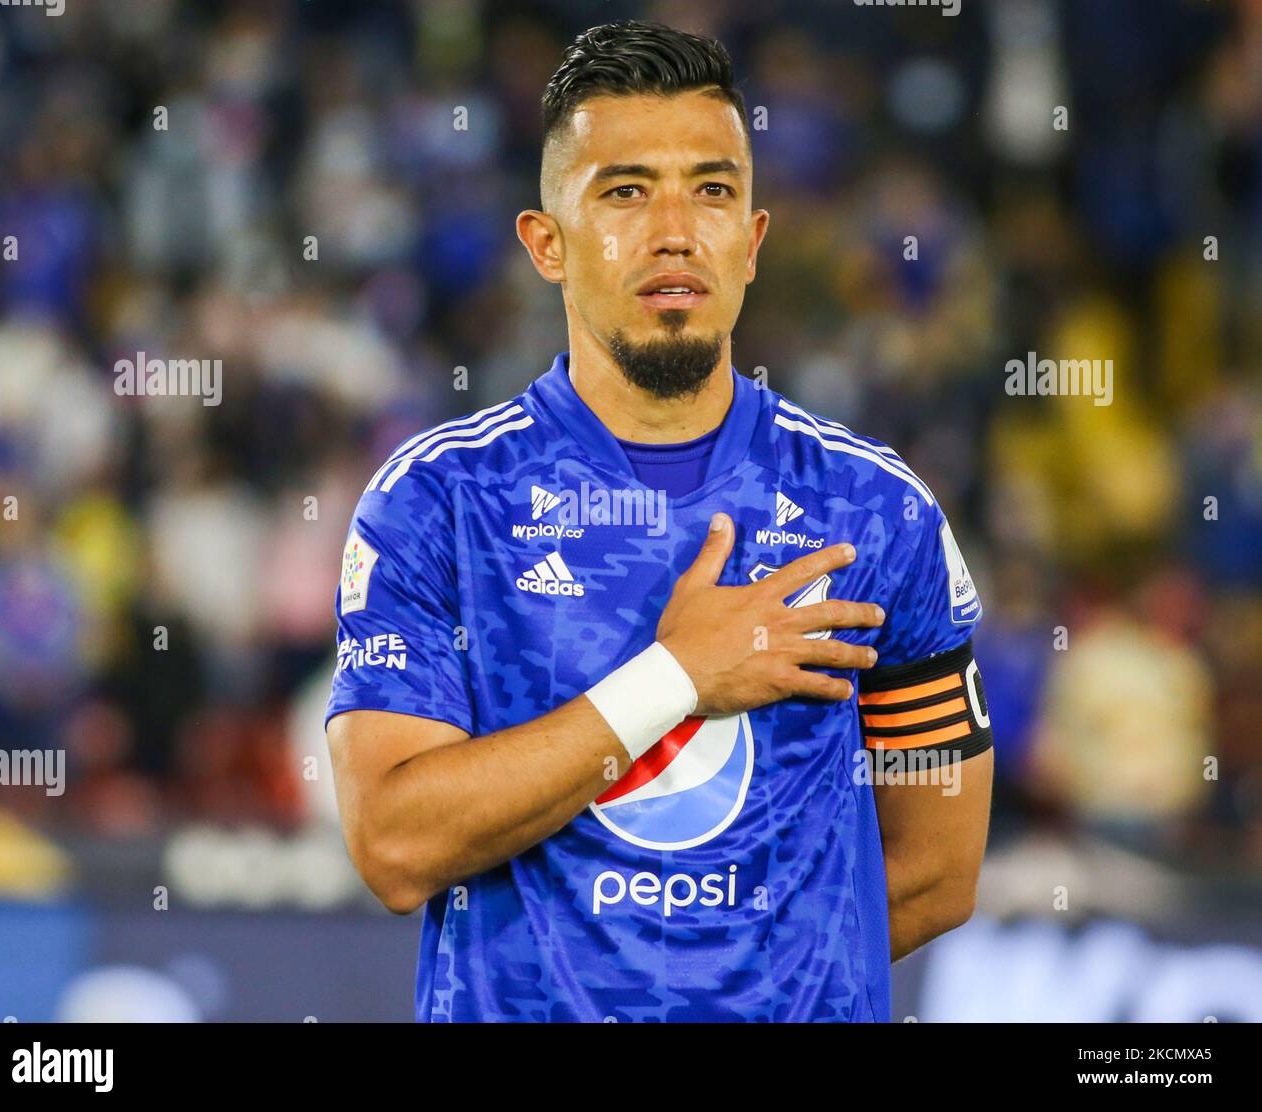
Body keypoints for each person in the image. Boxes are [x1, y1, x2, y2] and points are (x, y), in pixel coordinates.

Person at [326, 20, 993, 1022]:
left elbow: (936, 872)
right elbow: (395, 843)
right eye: (625, 191)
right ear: (545, 244)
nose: (675, 229)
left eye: (712, 190)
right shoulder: (438, 502)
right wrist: (678, 677)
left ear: (753, 240)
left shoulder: (877, 512)